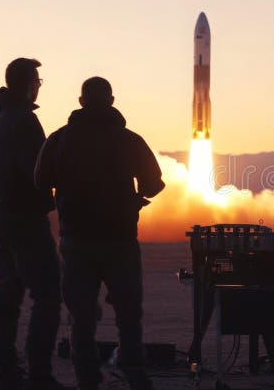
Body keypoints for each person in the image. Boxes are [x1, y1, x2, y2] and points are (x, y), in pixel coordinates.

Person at [35, 77, 165, 390]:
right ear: (111, 100)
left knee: (81, 315)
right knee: (128, 311)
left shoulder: (59, 139)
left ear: (81, 102)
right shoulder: (128, 139)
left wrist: (67, 197)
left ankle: (87, 378)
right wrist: (133, 201)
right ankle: (133, 371)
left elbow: (40, 179)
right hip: (119, 239)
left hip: (76, 240)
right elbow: (154, 182)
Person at [0, 58, 65, 390]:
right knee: (47, 294)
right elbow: (38, 174)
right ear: (29, 83)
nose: (38, 86)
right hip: (24, 219)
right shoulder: (25, 121)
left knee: (9, 294)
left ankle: (5, 367)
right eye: (38, 81)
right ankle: (39, 372)